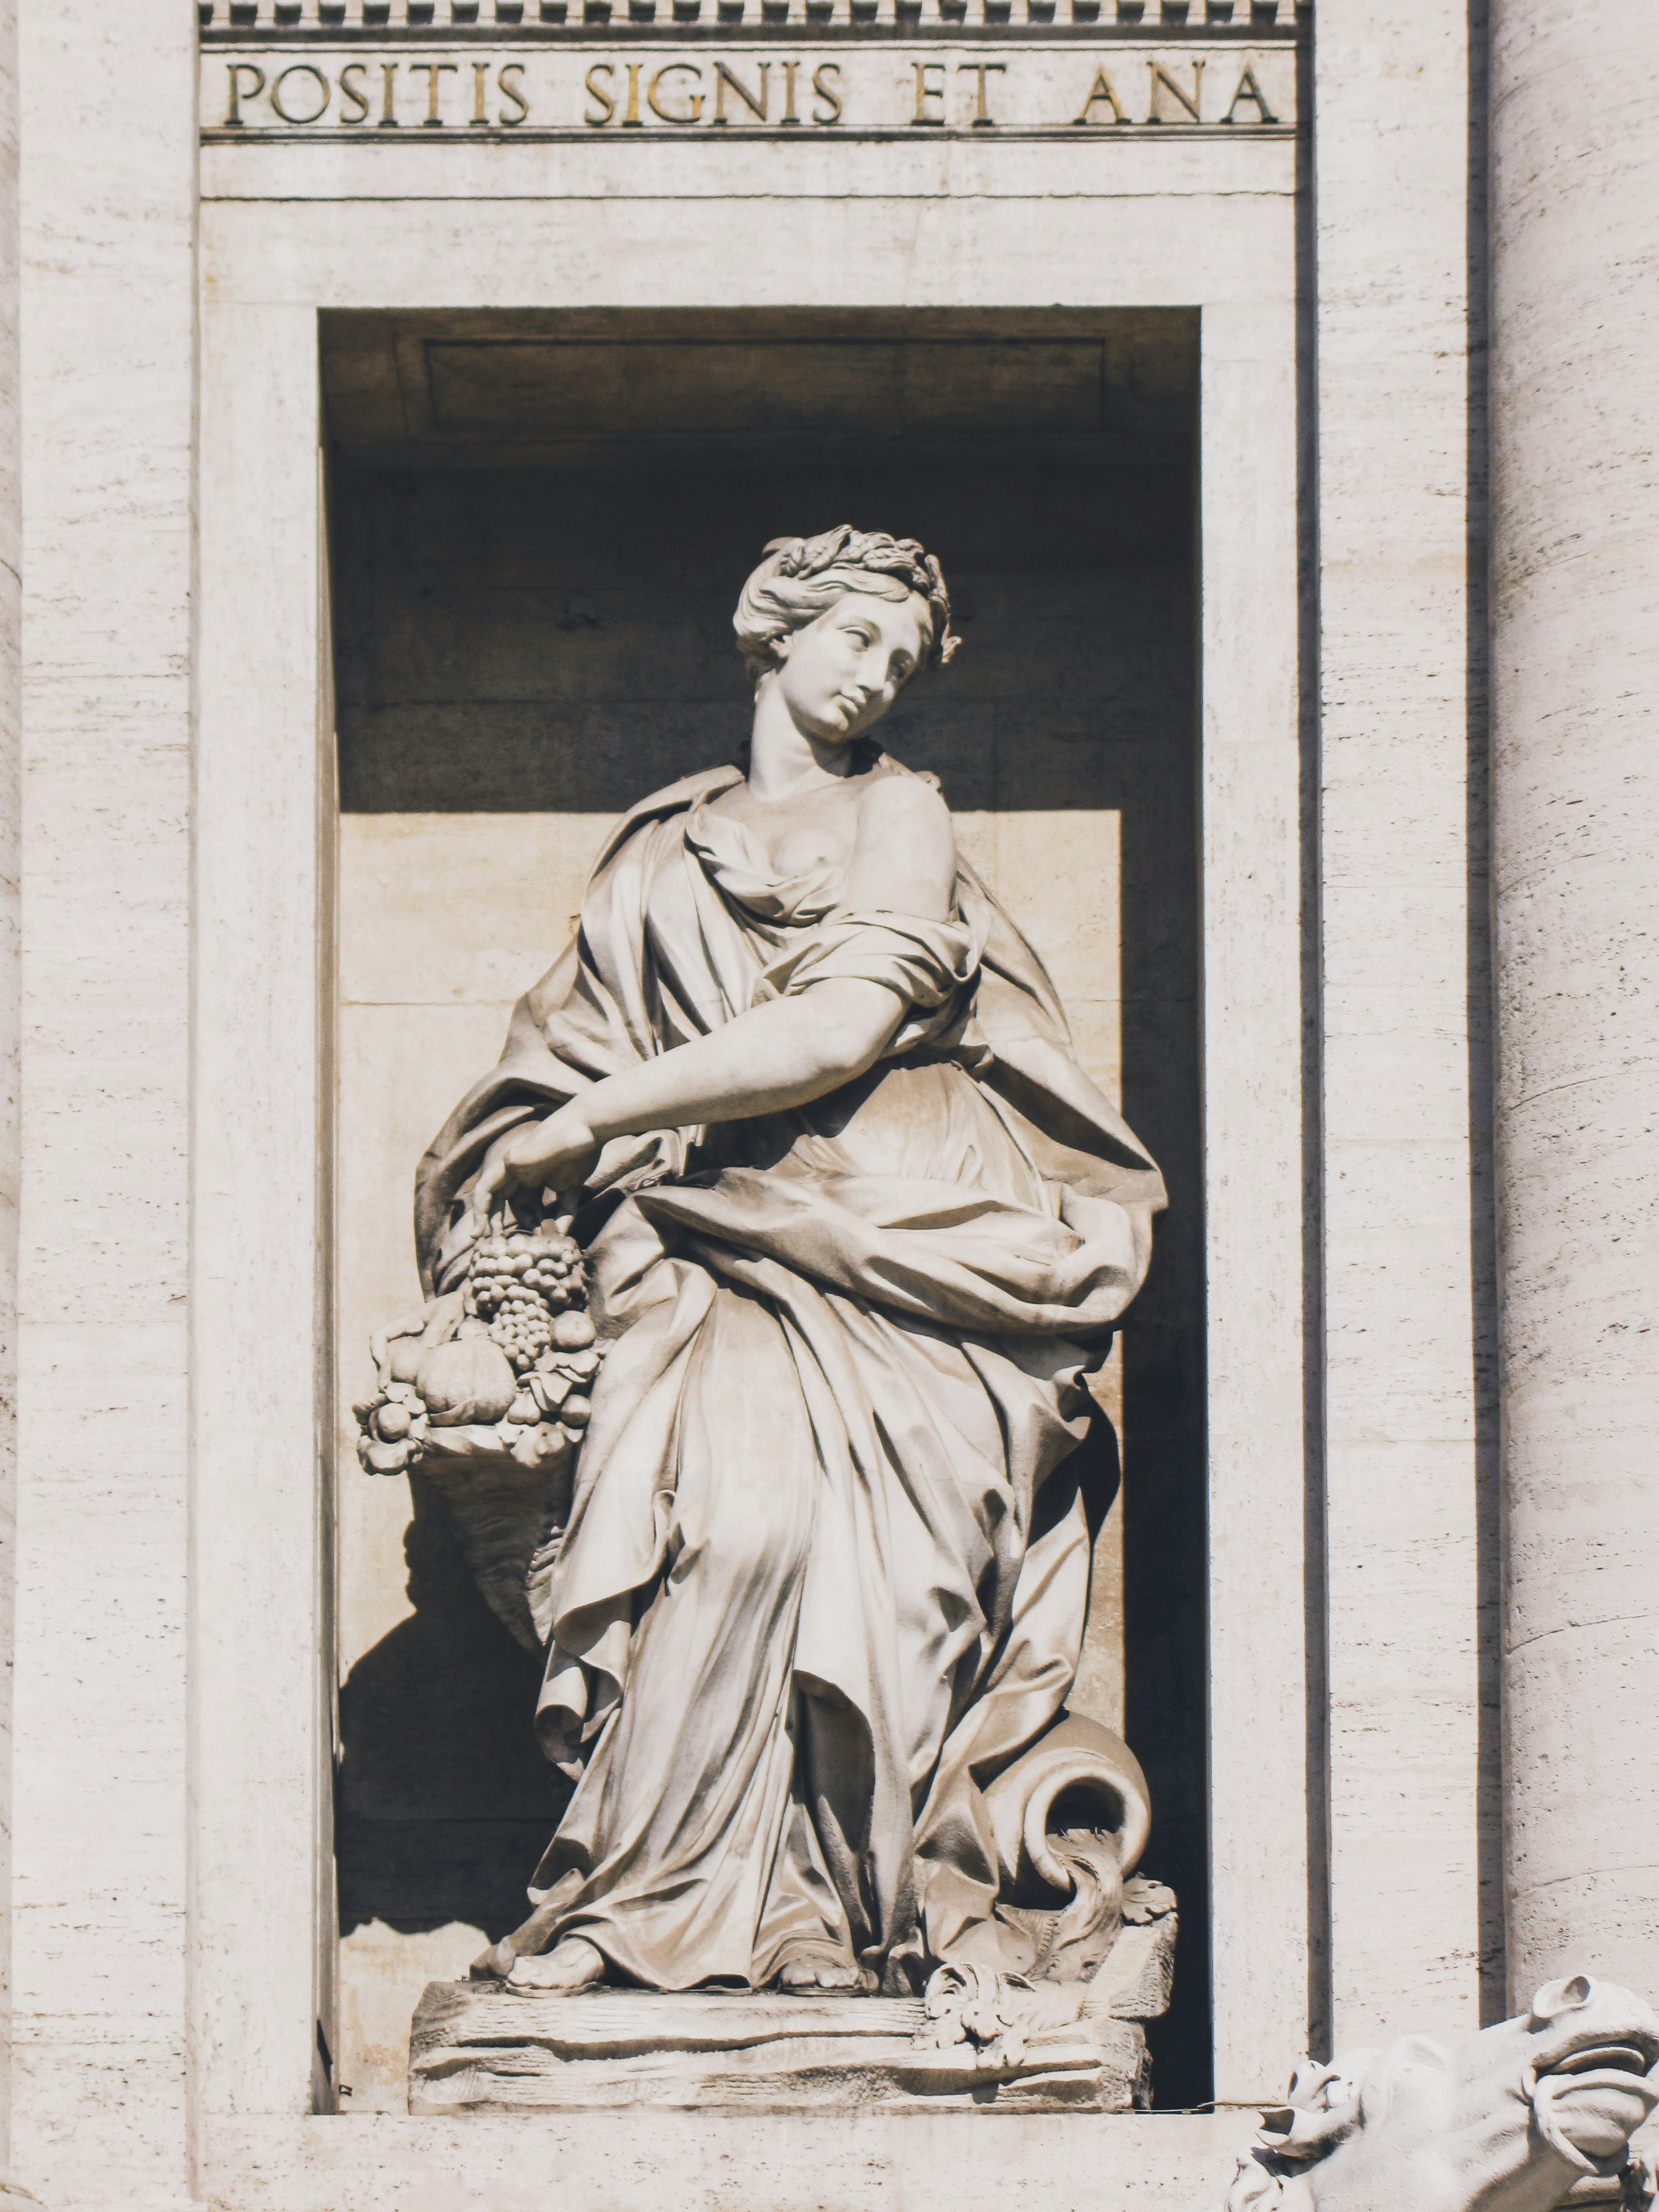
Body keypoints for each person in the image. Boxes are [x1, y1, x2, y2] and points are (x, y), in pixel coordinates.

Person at [413, 525, 1165, 1998]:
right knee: (727, 1537)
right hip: (702, 1239)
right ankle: (637, 1912)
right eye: (856, 638)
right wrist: (531, 1146)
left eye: (902, 657)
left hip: (894, 1235)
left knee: (885, 1592)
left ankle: (840, 1920)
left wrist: (595, 1121)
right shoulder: (653, 848)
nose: (877, 674)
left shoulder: (906, 819)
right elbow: (562, 1047)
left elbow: (834, 1035)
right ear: (775, 632)